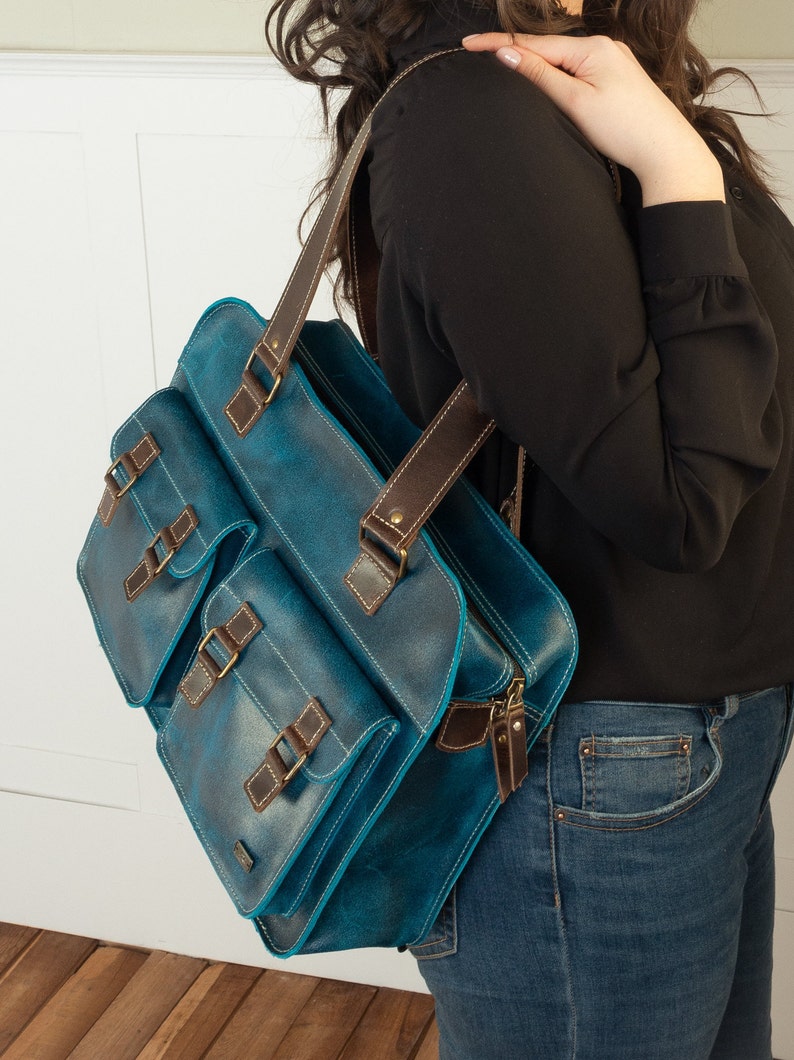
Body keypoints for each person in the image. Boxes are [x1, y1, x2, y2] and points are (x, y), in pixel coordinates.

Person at [266, 1, 794, 1056]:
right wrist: (677, 172)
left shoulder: (598, 65)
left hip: (689, 749)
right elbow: (676, 506)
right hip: (592, 779)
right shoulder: (473, 111)